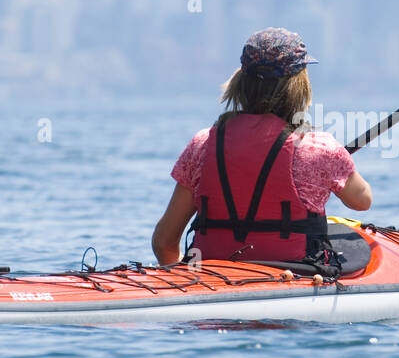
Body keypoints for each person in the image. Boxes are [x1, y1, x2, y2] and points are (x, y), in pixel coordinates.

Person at [152, 28, 372, 265]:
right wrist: (334, 166)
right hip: (296, 271)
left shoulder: (202, 144)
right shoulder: (320, 148)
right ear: (300, 86)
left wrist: (186, 279)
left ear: (241, 81)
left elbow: (164, 243)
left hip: (209, 275)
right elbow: (362, 201)